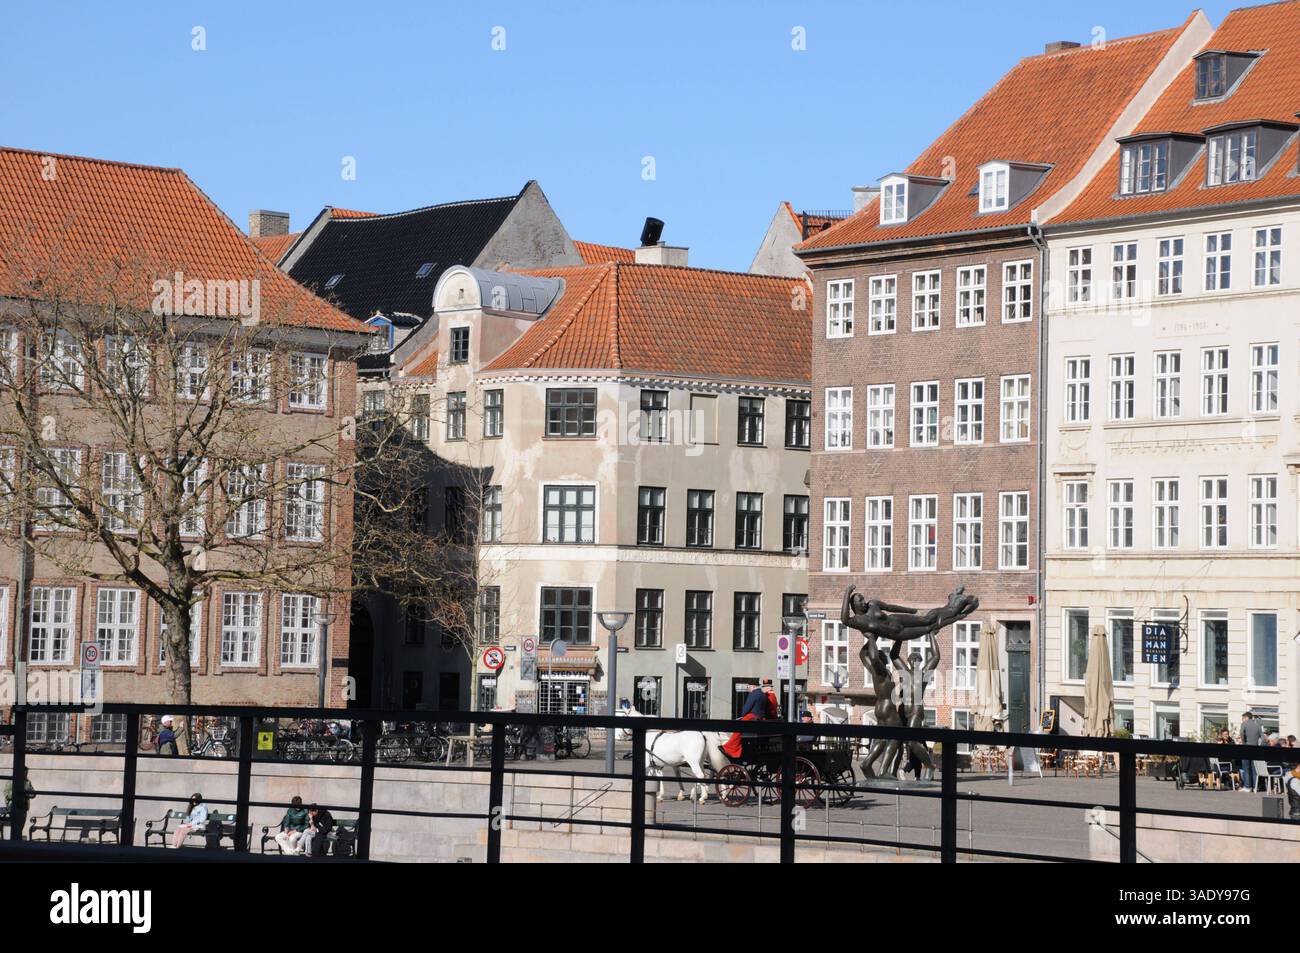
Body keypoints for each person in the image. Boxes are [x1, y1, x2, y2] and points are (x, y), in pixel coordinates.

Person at [722, 678, 776, 759]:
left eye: (749, 686)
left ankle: (730, 748)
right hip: (760, 717)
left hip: (752, 716)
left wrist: (743, 715)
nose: (748, 688)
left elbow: (747, 708)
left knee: (738, 729)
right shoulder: (763, 694)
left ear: (753, 686)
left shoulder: (754, 694)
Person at [1239, 712, 1262, 792]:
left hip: (1246, 748)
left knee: (1246, 767)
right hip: (1255, 749)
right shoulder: (1258, 725)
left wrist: (1243, 742)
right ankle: (1255, 786)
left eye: (1242, 719)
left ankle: (1247, 787)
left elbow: (1241, 733)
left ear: (1246, 718)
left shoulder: (1244, 724)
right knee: (1254, 768)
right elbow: (1262, 737)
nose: (1242, 720)